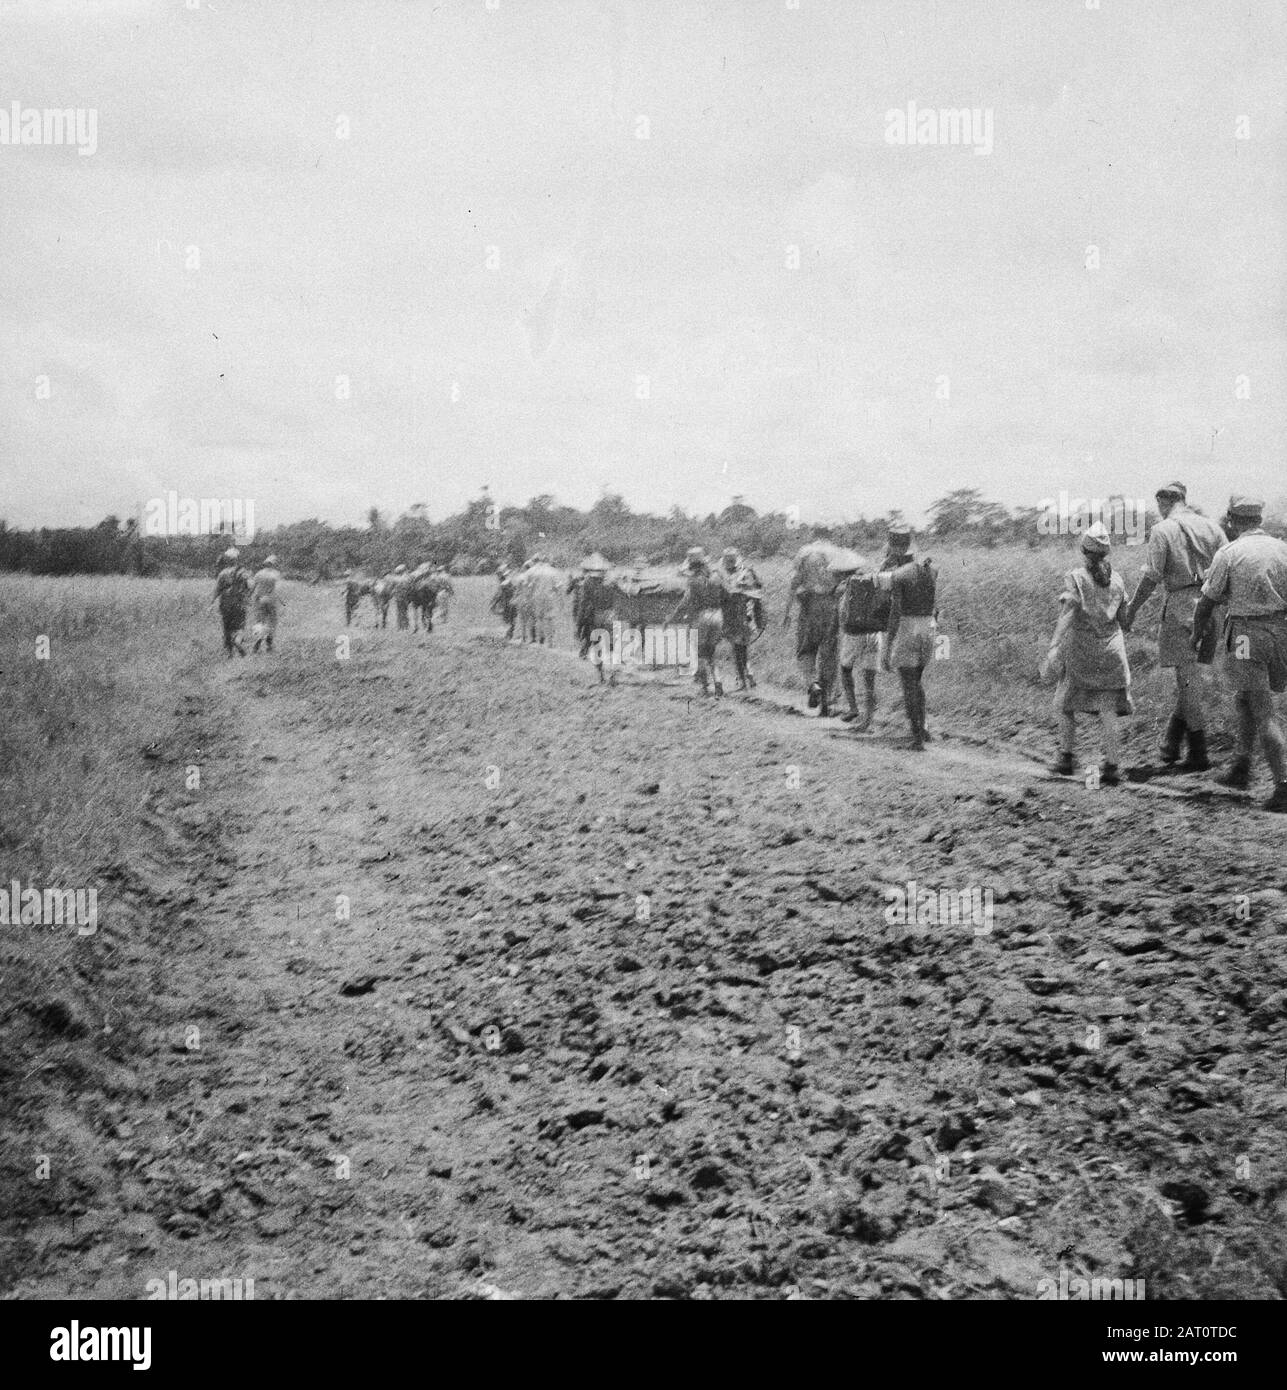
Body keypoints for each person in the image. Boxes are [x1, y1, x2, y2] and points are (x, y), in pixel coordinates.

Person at [1120, 482, 1227, 771]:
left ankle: (1198, 753)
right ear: (1184, 499)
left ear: (1162, 502)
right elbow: (1228, 567)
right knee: (1190, 677)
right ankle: (1170, 745)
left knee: (1187, 680)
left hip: (1182, 606)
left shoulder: (1163, 529)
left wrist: (1131, 609)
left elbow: (1152, 575)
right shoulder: (1212, 528)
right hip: (1211, 606)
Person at [1192, 496, 1287, 812]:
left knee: (1262, 708)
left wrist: (1196, 634)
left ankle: (1283, 785)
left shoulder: (1229, 553)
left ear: (1232, 519)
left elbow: (1207, 601)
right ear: (1259, 518)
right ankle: (1241, 767)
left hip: (1246, 634)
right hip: (1280, 632)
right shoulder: (1282, 549)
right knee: (1246, 697)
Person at [1040, 522, 1132, 784]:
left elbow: (1068, 613)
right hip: (1113, 651)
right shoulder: (1117, 580)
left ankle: (1066, 758)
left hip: (1082, 652)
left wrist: (1054, 645)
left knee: (1063, 703)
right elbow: (1125, 620)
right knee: (1108, 710)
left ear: (1084, 550)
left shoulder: (1076, 577)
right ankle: (1112, 767)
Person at [878, 531, 938, 750]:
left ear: (893, 549)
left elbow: (895, 613)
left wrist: (886, 647)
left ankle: (917, 739)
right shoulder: (931, 570)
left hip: (908, 626)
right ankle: (922, 729)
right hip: (929, 625)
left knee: (908, 684)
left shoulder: (899, 575)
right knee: (917, 681)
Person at [837, 533, 904, 728]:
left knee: (845, 668)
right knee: (869, 678)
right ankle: (867, 720)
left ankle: (852, 708)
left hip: (854, 634)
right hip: (874, 633)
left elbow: (843, 614)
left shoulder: (847, 585)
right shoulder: (882, 576)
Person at [785, 540, 841, 716]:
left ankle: (813, 684)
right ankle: (825, 704)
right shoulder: (836, 556)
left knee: (805, 650)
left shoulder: (805, 554)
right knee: (829, 656)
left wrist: (786, 613)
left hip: (810, 608)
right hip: (832, 608)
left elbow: (794, 584)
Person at [671, 547, 726, 696]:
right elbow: (725, 596)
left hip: (702, 617)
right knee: (712, 653)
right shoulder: (717, 577)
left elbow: (686, 602)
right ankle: (718, 682)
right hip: (718, 615)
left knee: (700, 654)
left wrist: (672, 618)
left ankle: (705, 687)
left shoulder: (693, 581)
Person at [718, 547, 764, 690]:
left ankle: (743, 680)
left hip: (731, 616)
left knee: (737, 649)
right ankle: (749, 674)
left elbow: (720, 597)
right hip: (747, 615)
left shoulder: (724, 576)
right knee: (743, 648)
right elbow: (759, 590)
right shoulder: (748, 572)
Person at [573, 554, 612, 658]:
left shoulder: (588, 582)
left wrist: (579, 620)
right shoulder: (607, 582)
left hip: (590, 612)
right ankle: (594, 654)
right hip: (604, 612)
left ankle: (585, 651)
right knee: (599, 634)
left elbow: (583, 601)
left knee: (588, 632)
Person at [213, 548, 250, 657]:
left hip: (225, 602)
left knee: (227, 627)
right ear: (237, 559)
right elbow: (250, 586)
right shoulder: (243, 572)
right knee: (240, 626)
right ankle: (238, 641)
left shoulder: (222, 573)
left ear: (227, 560)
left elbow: (217, 590)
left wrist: (212, 602)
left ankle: (230, 653)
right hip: (239, 601)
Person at [250, 554, 283, 654]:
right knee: (272, 622)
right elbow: (277, 589)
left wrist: (253, 598)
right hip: (271, 600)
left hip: (260, 600)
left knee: (260, 622)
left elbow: (252, 587)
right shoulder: (276, 574)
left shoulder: (259, 573)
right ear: (273, 564)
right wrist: (281, 601)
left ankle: (257, 644)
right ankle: (269, 645)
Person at [491, 565, 517, 639]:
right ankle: (510, 633)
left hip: (507, 603)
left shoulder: (504, 583)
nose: (498, 577)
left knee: (509, 619)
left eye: (499, 574)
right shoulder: (511, 580)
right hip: (513, 602)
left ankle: (509, 634)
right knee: (511, 619)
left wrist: (493, 604)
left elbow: (499, 595)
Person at [391, 563, 411, 630]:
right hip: (405, 596)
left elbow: (392, 588)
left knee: (399, 611)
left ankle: (400, 626)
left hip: (398, 597)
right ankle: (405, 625)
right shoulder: (406, 578)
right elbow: (409, 587)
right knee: (405, 611)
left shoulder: (395, 579)